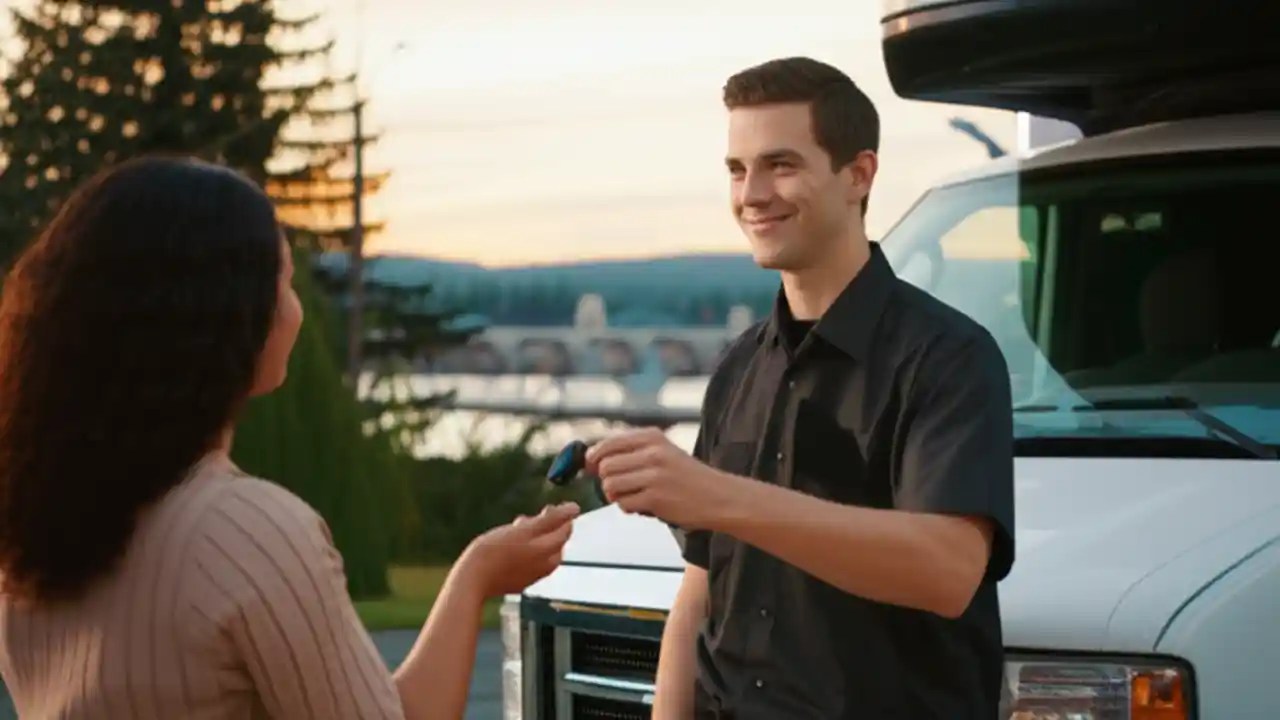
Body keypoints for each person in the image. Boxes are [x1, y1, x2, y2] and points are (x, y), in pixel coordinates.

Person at [0, 156, 579, 720]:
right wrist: (477, 577)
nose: (297, 309)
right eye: (284, 280)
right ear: (227, 317)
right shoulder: (251, 531)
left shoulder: (33, 530)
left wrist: (473, 573)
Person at [584, 57, 1016, 719]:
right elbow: (699, 592)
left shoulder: (949, 359)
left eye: (780, 164)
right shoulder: (736, 369)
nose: (751, 193)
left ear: (859, 175)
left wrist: (718, 496)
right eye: (736, 168)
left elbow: (948, 572)